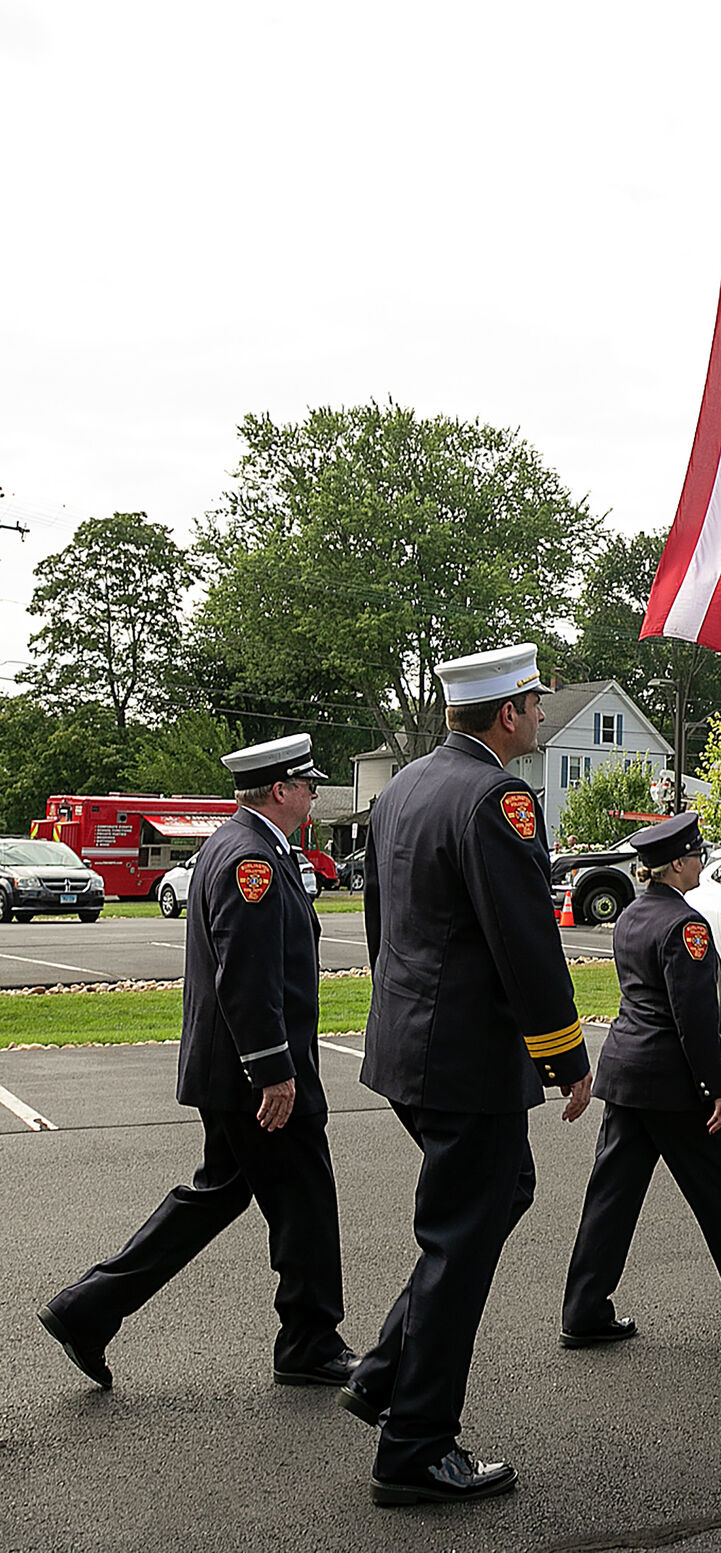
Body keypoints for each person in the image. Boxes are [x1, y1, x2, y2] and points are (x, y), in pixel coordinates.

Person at [343, 644, 593, 1507]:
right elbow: (526, 940)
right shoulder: (500, 798)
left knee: (493, 1197)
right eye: (533, 703)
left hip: (411, 1043)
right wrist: (566, 1053)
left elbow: (382, 920)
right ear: (510, 713)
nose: (537, 715)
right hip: (466, 1058)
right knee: (460, 1239)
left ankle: (382, 1371)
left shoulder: (405, 785)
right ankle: (415, 1445)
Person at [40, 736, 354, 1392]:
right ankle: (309, 1341)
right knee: (305, 1197)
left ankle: (87, 1309)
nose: (314, 792)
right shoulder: (251, 858)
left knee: (217, 1194)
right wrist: (273, 1069)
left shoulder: (242, 845)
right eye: (306, 783)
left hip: (231, 1070)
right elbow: (246, 973)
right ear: (278, 791)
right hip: (254, 1076)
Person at [560, 813, 721, 1345]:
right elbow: (694, 1019)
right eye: (697, 854)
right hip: (674, 1084)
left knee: (611, 1198)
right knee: (720, 1192)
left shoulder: (631, 915)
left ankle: (584, 1310)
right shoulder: (685, 925)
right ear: (677, 863)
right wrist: (716, 1085)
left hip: (625, 1075)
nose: (702, 861)